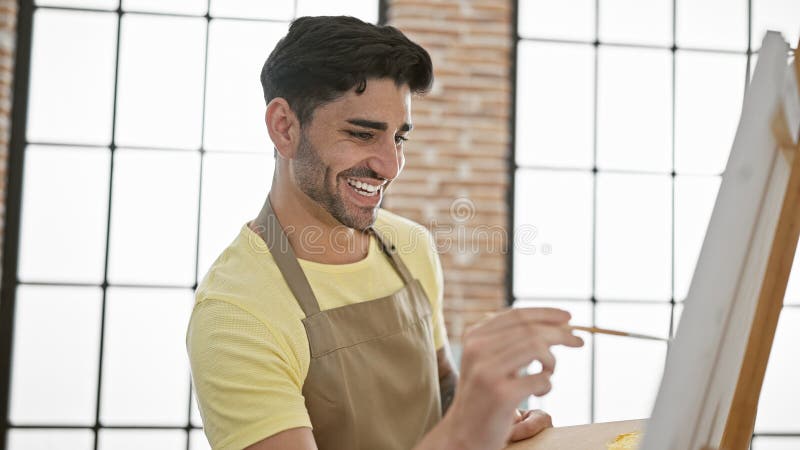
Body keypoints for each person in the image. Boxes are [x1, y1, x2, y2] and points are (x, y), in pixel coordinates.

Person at [186, 15, 584, 450]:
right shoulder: (236, 314)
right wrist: (465, 431)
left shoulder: (411, 249)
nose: (390, 166)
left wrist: (488, 416)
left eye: (399, 139)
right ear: (284, 126)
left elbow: (439, 394)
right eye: (361, 134)